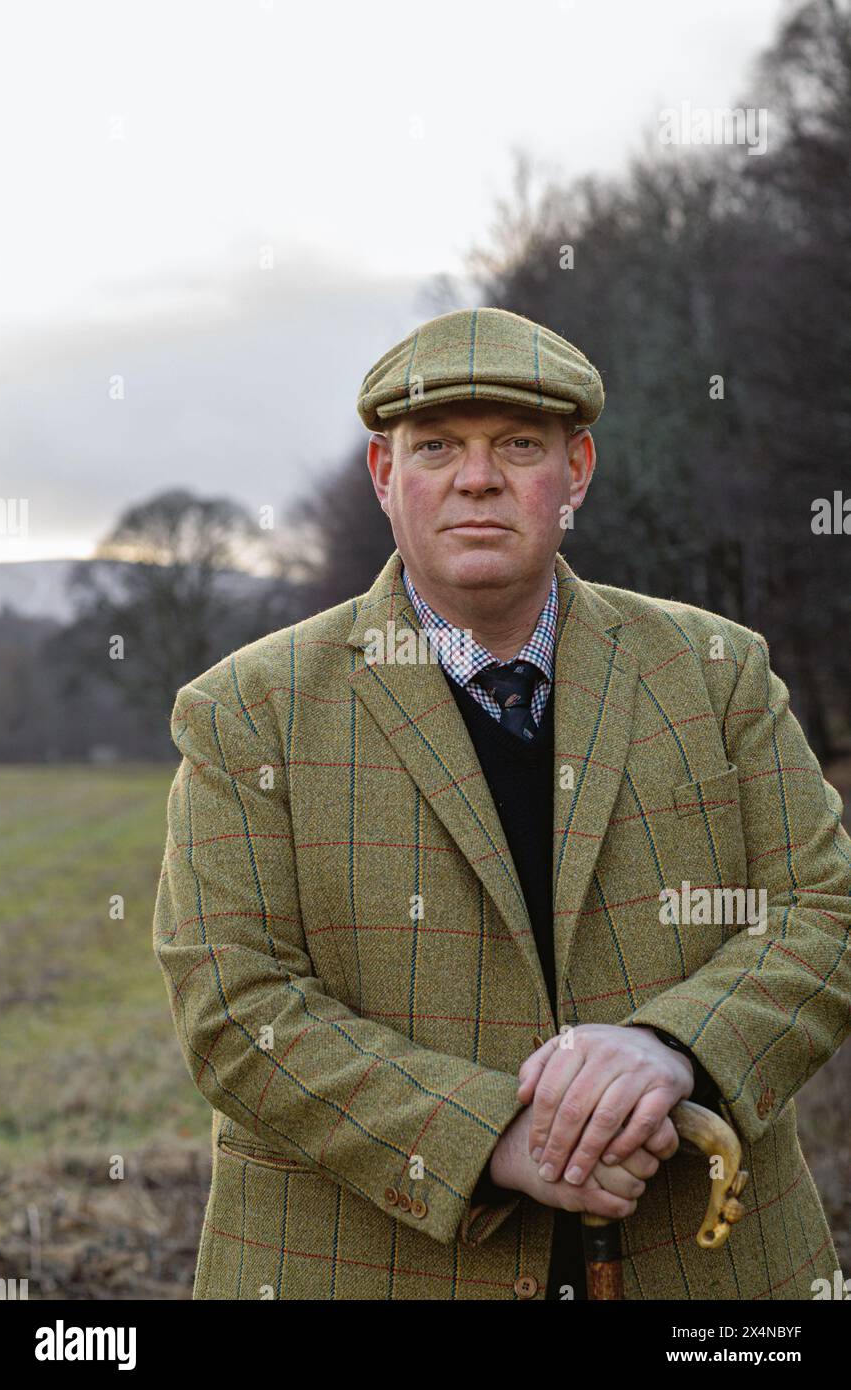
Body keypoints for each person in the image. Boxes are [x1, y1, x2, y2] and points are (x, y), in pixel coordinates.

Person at [153, 306, 851, 1300]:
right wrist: (493, 1135)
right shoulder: (246, 711)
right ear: (385, 478)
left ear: (575, 473)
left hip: (707, 1276)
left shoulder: (716, 670)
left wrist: (670, 1050)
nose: (475, 477)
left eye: (517, 445)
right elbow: (234, 1001)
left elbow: (822, 911)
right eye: (435, 446)